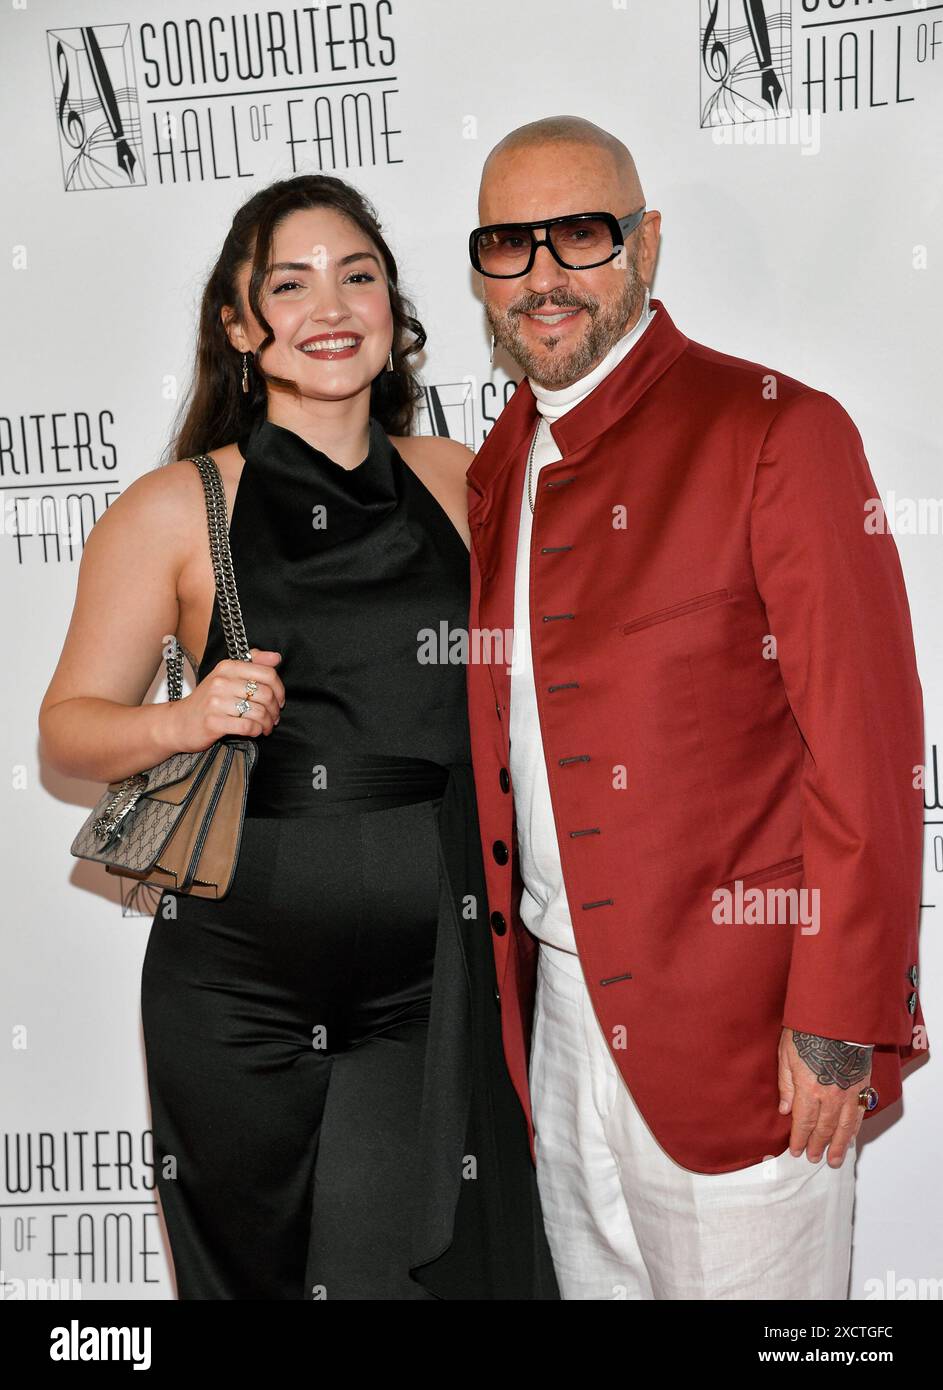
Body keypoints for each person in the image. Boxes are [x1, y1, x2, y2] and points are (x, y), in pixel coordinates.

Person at [38, 173, 558, 1301]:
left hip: (429, 975)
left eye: (357, 274)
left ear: (395, 310)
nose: (330, 304)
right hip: (235, 988)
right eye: (290, 282)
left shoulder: (461, 478)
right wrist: (189, 715)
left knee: (394, 1272)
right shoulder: (177, 508)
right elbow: (65, 731)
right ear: (238, 326)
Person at [464, 115, 928, 1300]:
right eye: (508, 245)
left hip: (745, 1038)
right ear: (479, 273)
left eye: (579, 234)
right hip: (558, 1029)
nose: (544, 274)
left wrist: (838, 1020)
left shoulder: (775, 428)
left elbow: (865, 754)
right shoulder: (498, 467)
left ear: (645, 244)